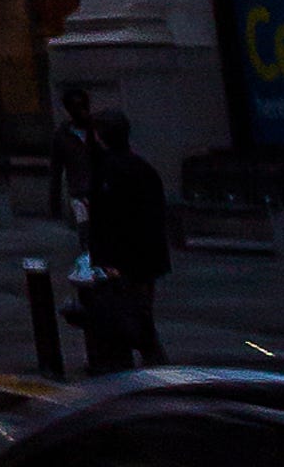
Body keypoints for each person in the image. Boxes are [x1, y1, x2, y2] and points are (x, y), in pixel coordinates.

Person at [81, 110, 170, 372]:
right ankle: (149, 359)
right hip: (146, 256)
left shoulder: (110, 171)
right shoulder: (141, 168)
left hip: (125, 257)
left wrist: (107, 261)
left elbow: (110, 220)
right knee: (140, 310)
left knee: (127, 311)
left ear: (99, 136)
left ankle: (144, 361)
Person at [50, 89, 100, 231]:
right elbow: (56, 169)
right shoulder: (62, 135)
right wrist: (55, 202)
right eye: (75, 106)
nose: (80, 110)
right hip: (78, 192)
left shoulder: (97, 129)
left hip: (99, 190)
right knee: (84, 230)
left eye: (82, 105)